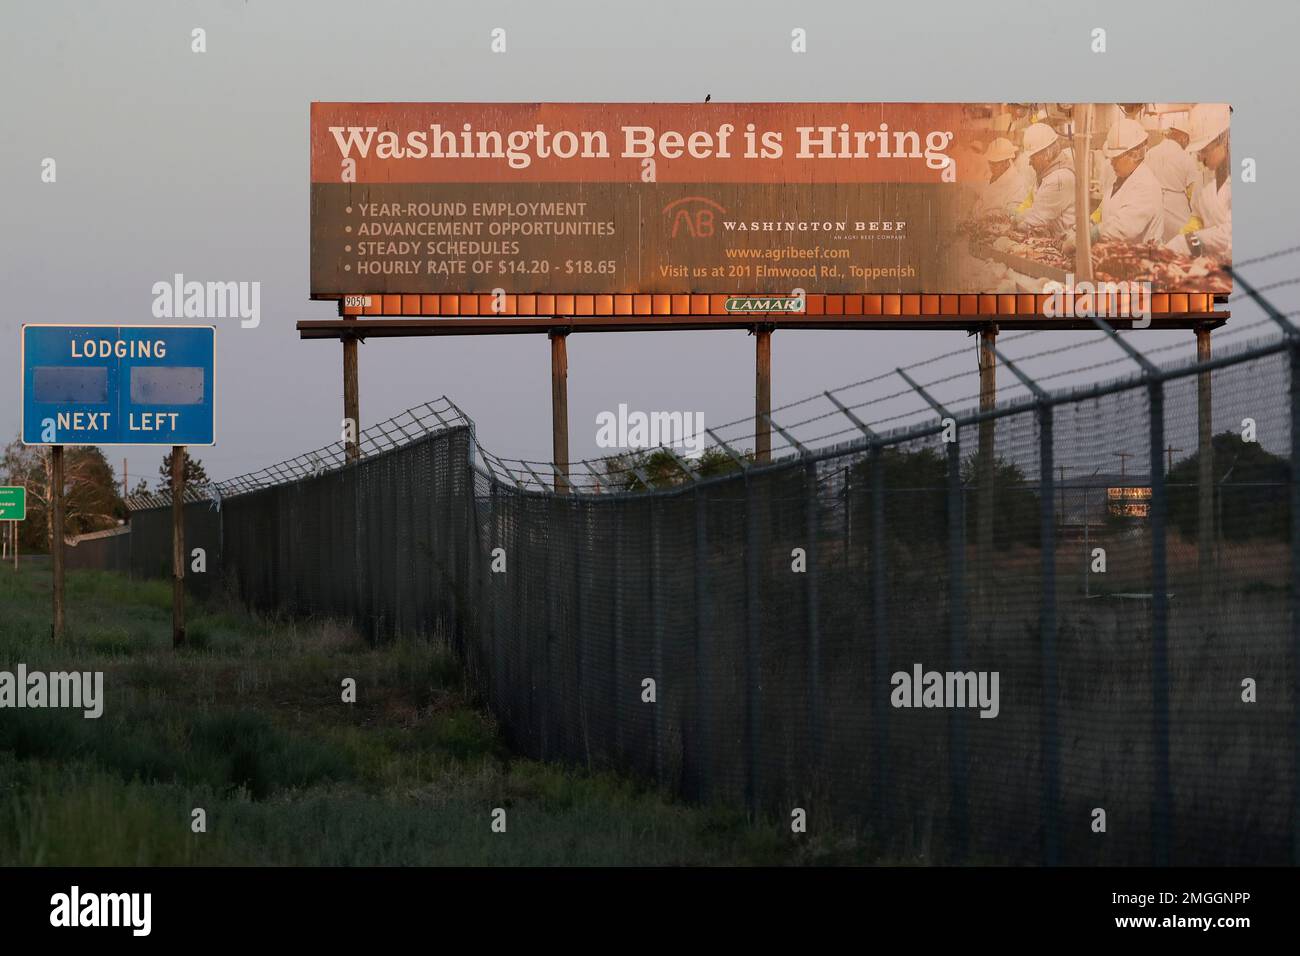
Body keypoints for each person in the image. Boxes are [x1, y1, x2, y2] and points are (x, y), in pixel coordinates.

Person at [1166, 104, 1231, 262]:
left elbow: (1231, 234)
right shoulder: (1205, 176)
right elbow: (1198, 216)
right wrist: (1186, 233)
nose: (1199, 157)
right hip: (1213, 266)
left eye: (1204, 150)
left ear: (1224, 140)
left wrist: (1190, 241)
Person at [1096, 118, 1163, 244]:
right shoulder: (1121, 177)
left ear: (1134, 154)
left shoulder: (1145, 184)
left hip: (1140, 258)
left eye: (1115, 157)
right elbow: (1109, 207)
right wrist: (1093, 220)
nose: (1111, 162)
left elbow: (1124, 227)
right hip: (1117, 254)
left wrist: (1094, 233)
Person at [1012, 123, 1075, 239]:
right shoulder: (1046, 174)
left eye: (1033, 157)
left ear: (1046, 154)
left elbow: (1036, 219)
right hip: (1050, 237)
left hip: (1064, 243)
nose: (1030, 163)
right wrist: (1016, 214)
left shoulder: (1059, 178)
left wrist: (1010, 227)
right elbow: (1031, 202)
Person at [1144, 113, 1200, 241]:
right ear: (1183, 138)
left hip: (1154, 206)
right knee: (1181, 247)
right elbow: (1193, 193)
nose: (1187, 144)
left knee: (1158, 248)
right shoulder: (1186, 157)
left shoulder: (1150, 153)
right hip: (1177, 209)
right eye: (1187, 140)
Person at [971, 137, 1030, 217]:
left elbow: (1013, 214)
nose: (991, 166)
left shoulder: (1017, 184)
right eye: (990, 162)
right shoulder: (992, 175)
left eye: (995, 163)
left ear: (1006, 162)